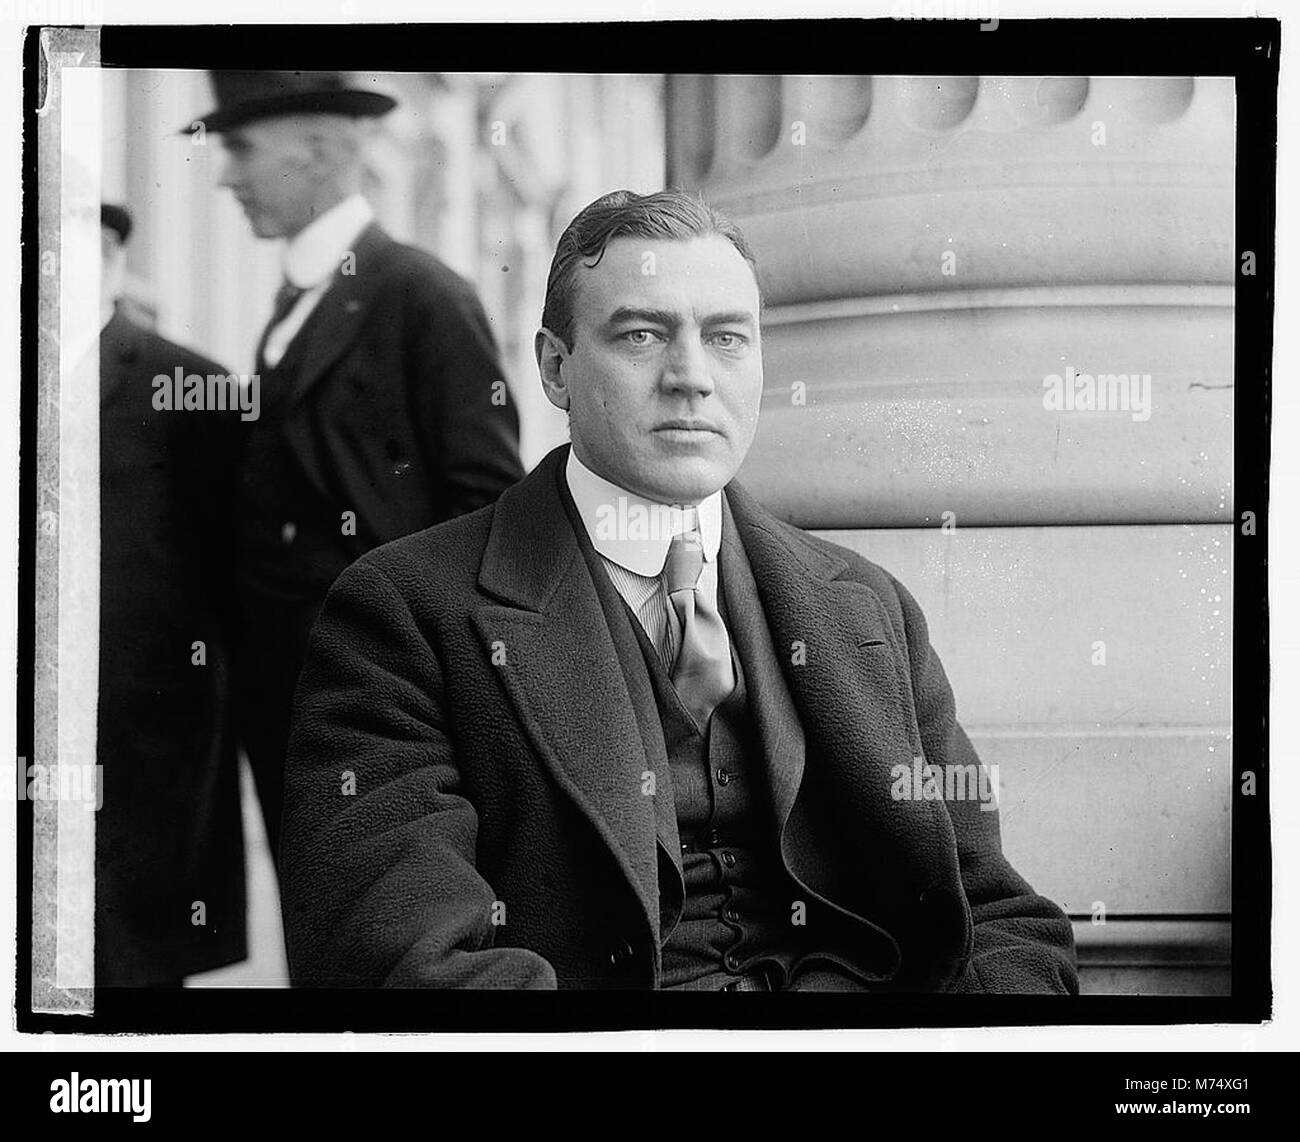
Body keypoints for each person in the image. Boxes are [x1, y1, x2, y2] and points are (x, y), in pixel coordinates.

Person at [280, 189, 1079, 993]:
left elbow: (1000, 919)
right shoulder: (403, 613)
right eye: (641, 334)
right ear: (556, 368)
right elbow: (405, 963)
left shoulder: (866, 607)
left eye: (727, 337)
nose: (691, 378)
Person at [191, 72, 524, 861]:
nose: (225, 175)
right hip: (282, 693)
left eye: (240, 149)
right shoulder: (294, 300)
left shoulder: (421, 295)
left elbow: (487, 503)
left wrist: (417, 673)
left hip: (374, 694)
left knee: (381, 928)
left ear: (315, 150)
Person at [96, 203, 246, 986]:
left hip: (148, 745)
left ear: (112, 258)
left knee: (134, 972)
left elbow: (236, 575)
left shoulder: (188, 389)